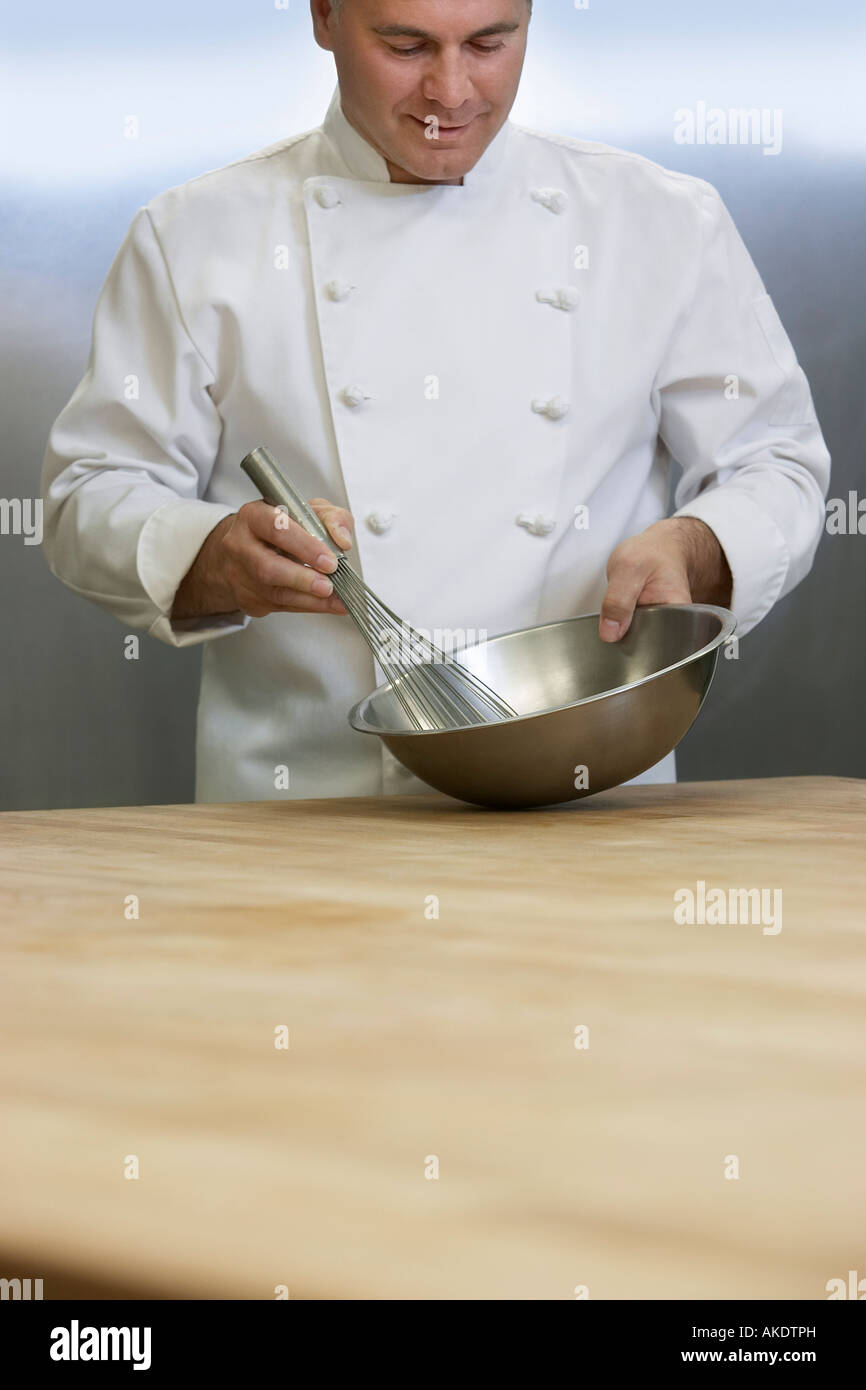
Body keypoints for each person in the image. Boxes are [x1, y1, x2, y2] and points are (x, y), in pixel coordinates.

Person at [41, 0, 831, 803]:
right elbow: (87, 498)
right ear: (323, 17)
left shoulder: (659, 221)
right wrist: (214, 556)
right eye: (406, 44)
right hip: (308, 818)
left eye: (490, 42)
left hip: (596, 806)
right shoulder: (195, 237)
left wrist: (699, 547)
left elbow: (776, 461)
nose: (450, 91)